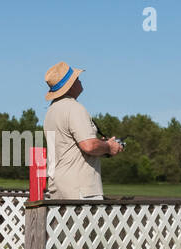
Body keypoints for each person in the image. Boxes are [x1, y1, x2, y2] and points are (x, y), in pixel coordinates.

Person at [41, 61, 123, 200]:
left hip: (57, 186)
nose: (79, 81)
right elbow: (89, 146)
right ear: (71, 85)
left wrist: (100, 144)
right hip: (80, 189)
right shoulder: (74, 108)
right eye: (76, 79)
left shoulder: (51, 111)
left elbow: (71, 146)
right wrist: (109, 146)